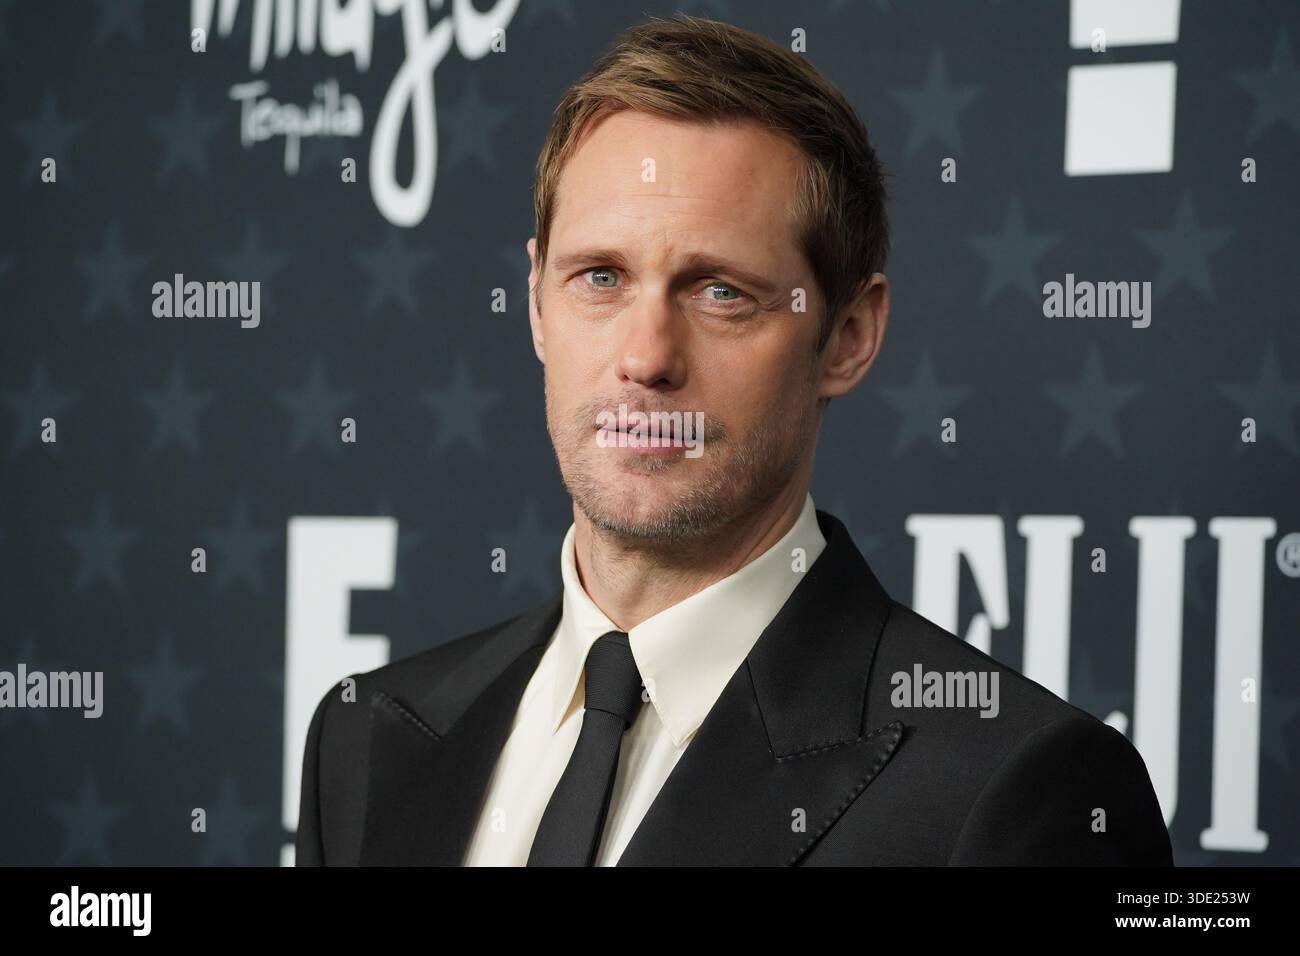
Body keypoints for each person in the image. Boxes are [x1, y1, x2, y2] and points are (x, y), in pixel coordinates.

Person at [295, 14, 1172, 867]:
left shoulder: (1015, 794)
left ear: (850, 336)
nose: (645, 358)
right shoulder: (364, 735)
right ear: (534, 303)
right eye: (599, 278)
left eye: (720, 293)